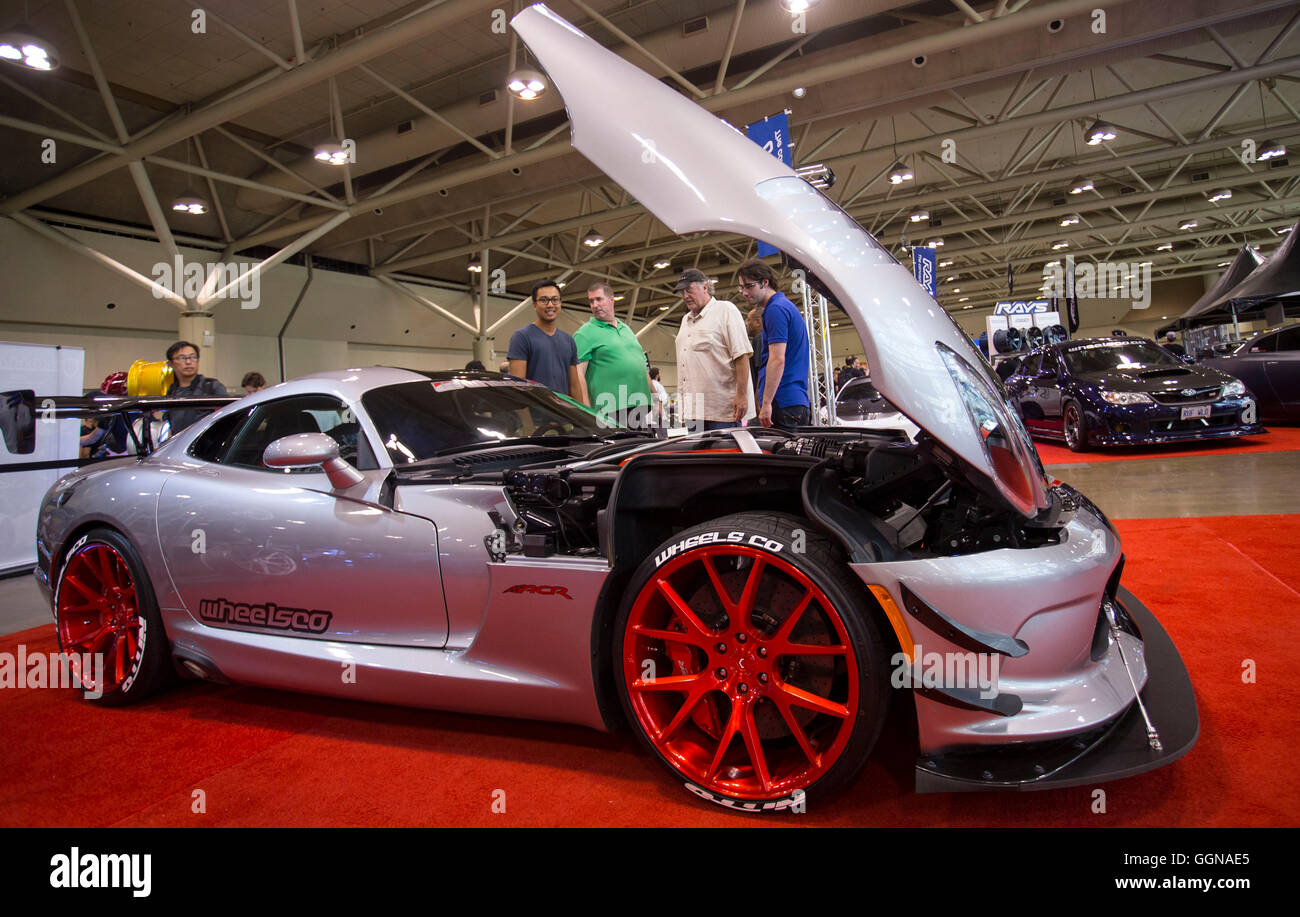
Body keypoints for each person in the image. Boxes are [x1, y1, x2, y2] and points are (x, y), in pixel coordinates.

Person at [674, 269, 754, 432]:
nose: (685, 296)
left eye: (689, 290)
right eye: (682, 292)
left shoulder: (726, 310)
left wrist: (742, 395)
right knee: (697, 457)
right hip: (693, 412)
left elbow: (742, 356)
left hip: (722, 412)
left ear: (705, 287)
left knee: (724, 458)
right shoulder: (685, 320)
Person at [736, 259, 810, 430]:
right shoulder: (783, 307)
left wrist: (766, 403)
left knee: (780, 456)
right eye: (742, 287)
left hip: (782, 402)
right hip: (791, 401)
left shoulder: (775, 309)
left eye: (749, 286)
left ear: (765, 283)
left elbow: (777, 359)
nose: (744, 292)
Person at [575, 282, 653, 428]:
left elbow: (642, 367)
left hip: (639, 405)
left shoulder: (627, 330)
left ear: (611, 300)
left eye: (599, 299)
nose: (595, 305)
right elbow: (578, 375)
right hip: (610, 409)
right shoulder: (584, 333)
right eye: (591, 301)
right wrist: (587, 412)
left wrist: (656, 399)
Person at [507, 280, 580, 396]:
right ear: (535, 305)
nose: (550, 305)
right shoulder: (521, 337)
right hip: (535, 413)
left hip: (562, 413)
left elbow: (574, 386)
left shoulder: (568, 340)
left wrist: (580, 413)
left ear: (560, 303)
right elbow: (517, 388)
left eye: (555, 300)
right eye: (544, 300)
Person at [164, 340, 227, 434]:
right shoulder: (171, 391)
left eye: (193, 357)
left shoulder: (212, 387)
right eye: (182, 358)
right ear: (171, 364)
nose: (188, 362)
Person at [745, 306, 763, 392]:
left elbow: (761, 371)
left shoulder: (759, 338)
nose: (746, 323)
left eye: (748, 320)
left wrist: (757, 398)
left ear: (757, 322)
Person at [648, 367, 668, 438]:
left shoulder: (646, 385)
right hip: (659, 416)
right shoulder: (659, 386)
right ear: (657, 375)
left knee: (650, 441)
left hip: (648, 417)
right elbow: (663, 400)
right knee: (663, 439)